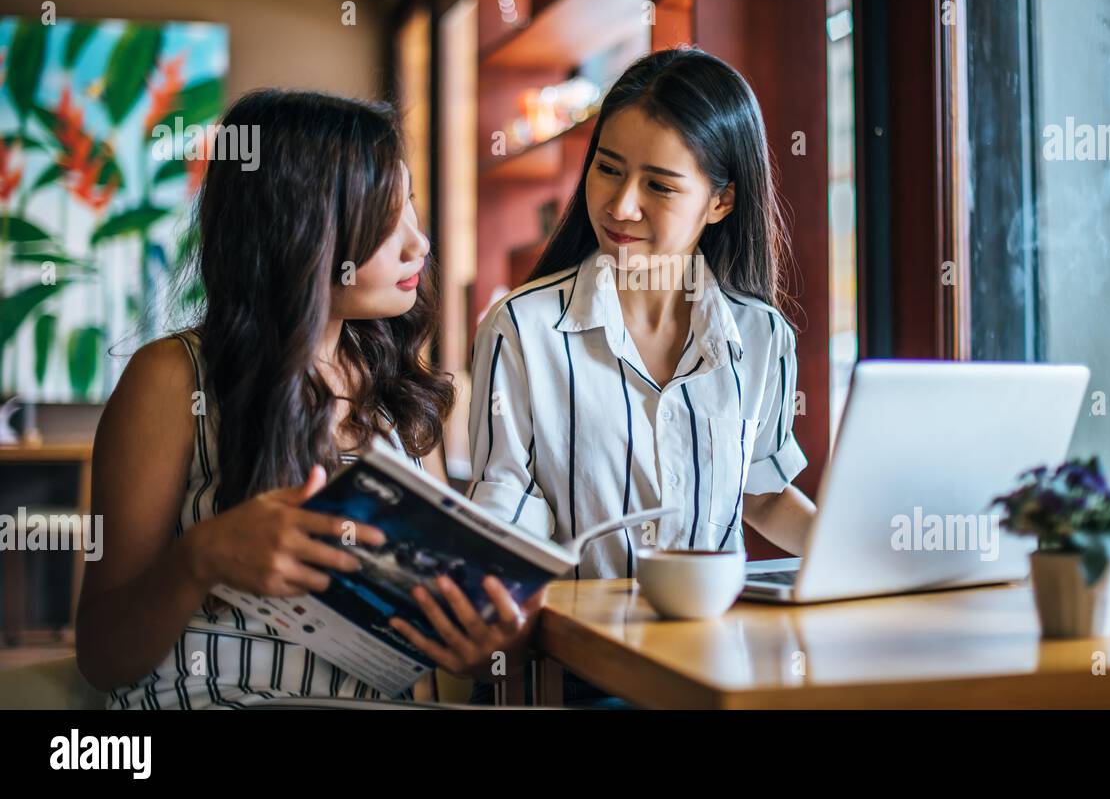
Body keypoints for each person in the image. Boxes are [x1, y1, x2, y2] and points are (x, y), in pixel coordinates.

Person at [77, 90, 541, 709]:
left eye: (412, 207)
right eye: (384, 216)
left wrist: (482, 647)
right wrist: (199, 559)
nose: (418, 244)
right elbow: (102, 655)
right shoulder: (173, 378)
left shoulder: (396, 395)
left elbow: (445, 637)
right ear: (302, 227)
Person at [465, 48, 818, 705]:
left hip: (712, 658)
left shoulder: (762, 335)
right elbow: (503, 507)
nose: (621, 204)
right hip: (575, 672)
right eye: (607, 169)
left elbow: (763, 491)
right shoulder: (522, 329)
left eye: (659, 184)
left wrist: (864, 557)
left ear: (720, 201)